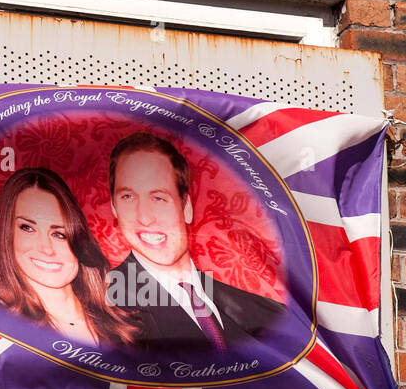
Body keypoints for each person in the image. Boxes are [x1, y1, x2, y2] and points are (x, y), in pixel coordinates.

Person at [105, 131, 284, 350]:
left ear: (187, 208)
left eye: (159, 198)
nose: (144, 217)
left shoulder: (267, 313)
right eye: (128, 197)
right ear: (114, 208)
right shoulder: (103, 310)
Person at [0, 166, 138, 346]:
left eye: (59, 234)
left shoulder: (129, 316)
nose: (47, 249)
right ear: (5, 236)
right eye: (28, 228)